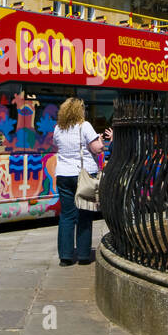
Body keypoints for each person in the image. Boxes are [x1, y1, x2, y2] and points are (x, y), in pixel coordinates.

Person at [52, 97, 111, 266]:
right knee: (85, 214)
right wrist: (100, 140)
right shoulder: (85, 126)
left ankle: (65, 256)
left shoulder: (58, 128)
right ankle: (84, 256)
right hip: (83, 175)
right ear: (80, 111)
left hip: (63, 175)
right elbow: (97, 149)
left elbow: (57, 146)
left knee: (67, 216)